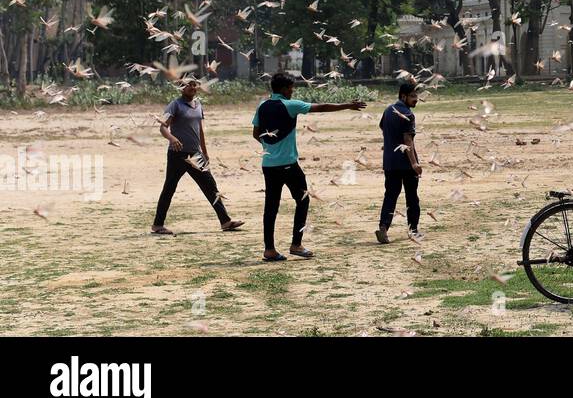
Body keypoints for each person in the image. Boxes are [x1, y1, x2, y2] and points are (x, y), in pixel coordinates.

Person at [253, 72, 366, 261]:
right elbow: (321, 107)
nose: (292, 91)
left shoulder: (262, 106)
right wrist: (348, 105)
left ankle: (269, 249)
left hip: (268, 164)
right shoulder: (291, 105)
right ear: (283, 89)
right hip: (288, 164)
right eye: (290, 88)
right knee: (303, 201)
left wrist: (269, 148)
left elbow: (256, 133)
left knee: (271, 207)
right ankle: (296, 244)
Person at [151, 79, 244, 235]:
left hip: (195, 154)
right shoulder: (175, 105)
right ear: (181, 88)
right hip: (177, 155)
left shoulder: (198, 105)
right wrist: (172, 138)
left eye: (195, 84)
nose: (193, 87)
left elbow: (200, 130)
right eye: (189, 84)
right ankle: (157, 225)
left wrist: (205, 152)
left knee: (211, 187)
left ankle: (225, 221)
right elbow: (163, 127)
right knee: (169, 189)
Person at [375, 81, 422, 244]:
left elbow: (382, 127)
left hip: (390, 162)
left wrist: (390, 140)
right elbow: (407, 139)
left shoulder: (388, 110)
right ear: (404, 96)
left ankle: (383, 227)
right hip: (406, 163)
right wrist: (414, 164)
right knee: (412, 198)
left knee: (390, 196)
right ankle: (413, 230)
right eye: (413, 96)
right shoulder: (408, 115)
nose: (416, 99)